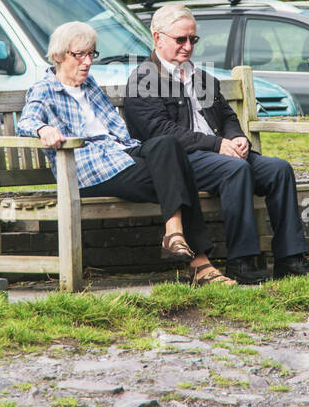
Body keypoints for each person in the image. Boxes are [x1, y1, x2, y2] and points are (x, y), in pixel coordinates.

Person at [17, 20, 236, 286]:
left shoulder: (89, 85)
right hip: (89, 167)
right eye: (80, 55)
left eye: (91, 55)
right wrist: (43, 130)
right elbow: (26, 121)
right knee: (178, 173)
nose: (87, 62)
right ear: (60, 56)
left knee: (167, 144)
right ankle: (199, 262)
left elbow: (118, 132)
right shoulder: (45, 89)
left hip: (121, 154)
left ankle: (174, 232)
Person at [123, 3, 309, 284]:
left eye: (193, 39)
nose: (188, 46)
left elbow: (227, 116)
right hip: (181, 161)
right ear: (158, 38)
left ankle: (290, 258)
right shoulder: (144, 80)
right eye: (180, 39)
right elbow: (160, 131)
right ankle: (242, 261)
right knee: (234, 170)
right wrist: (217, 145)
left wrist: (237, 137)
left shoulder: (201, 77)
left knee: (278, 169)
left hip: (221, 151)